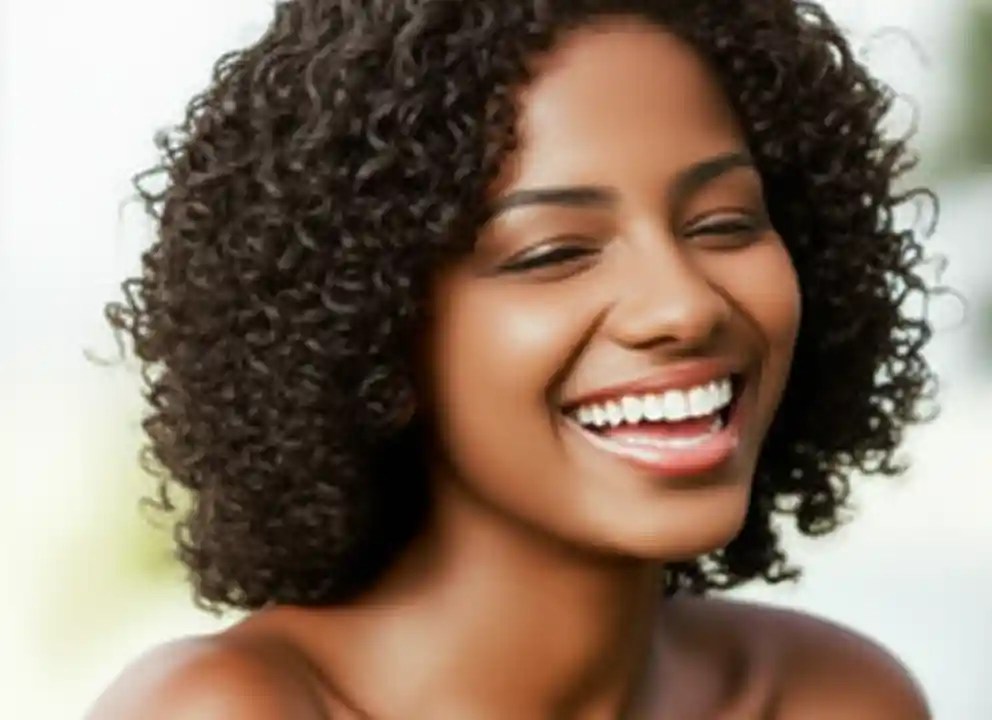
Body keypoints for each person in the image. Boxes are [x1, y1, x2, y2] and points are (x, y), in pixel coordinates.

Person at [90, 0, 938, 717]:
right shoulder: (229, 710)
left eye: (723, 225)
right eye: (552, 252)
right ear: (374, 326)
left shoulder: (831, 698)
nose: (683, 304)